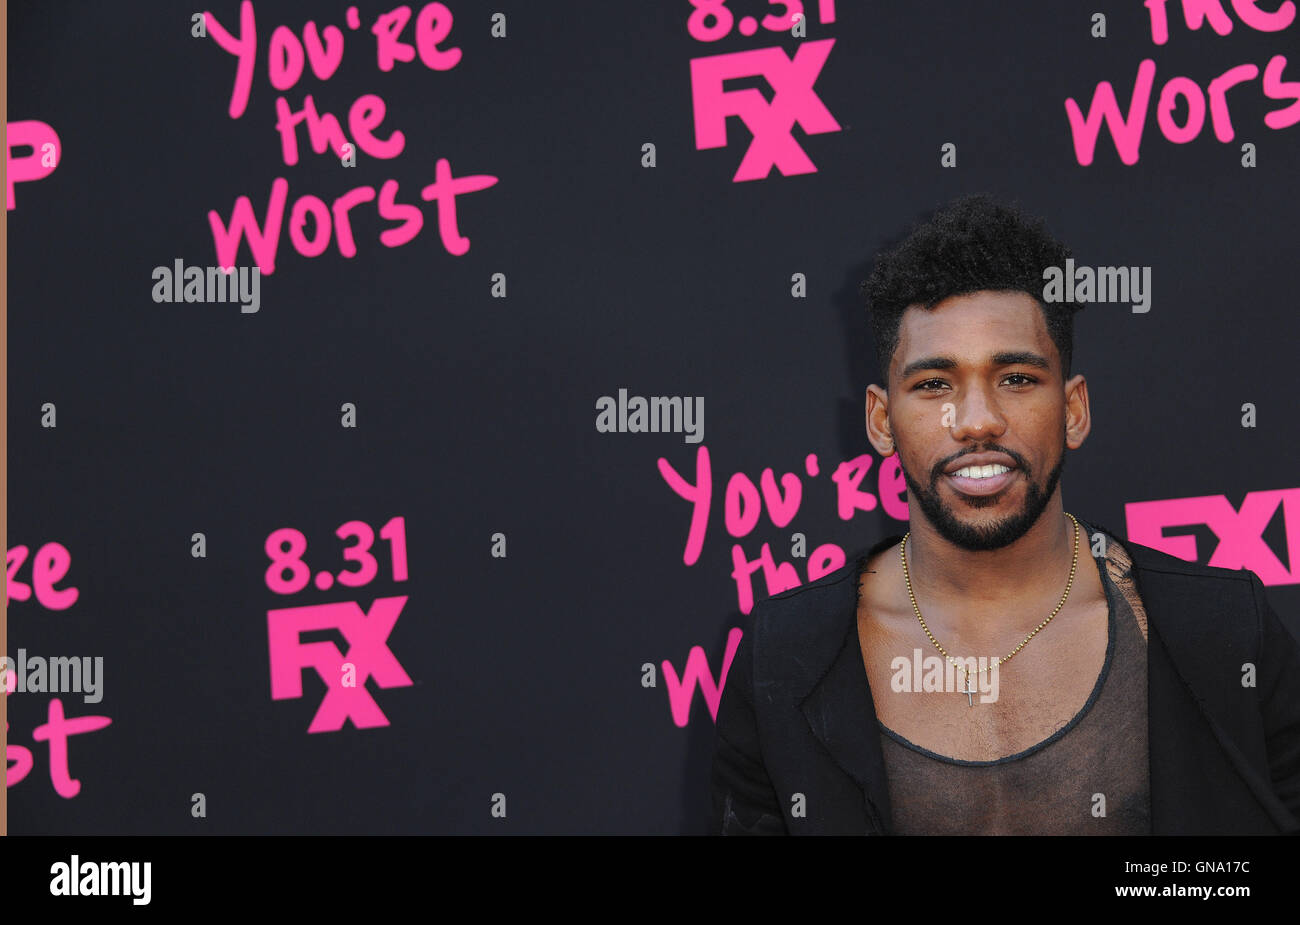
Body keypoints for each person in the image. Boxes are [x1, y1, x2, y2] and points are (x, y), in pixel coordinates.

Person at [710, 194, 1300, 835]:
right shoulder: (785, 660)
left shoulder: (1219, 633)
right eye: (934, 384)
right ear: (882, 421)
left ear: (1073, 410)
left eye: (1016, 377)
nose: (978, 420)